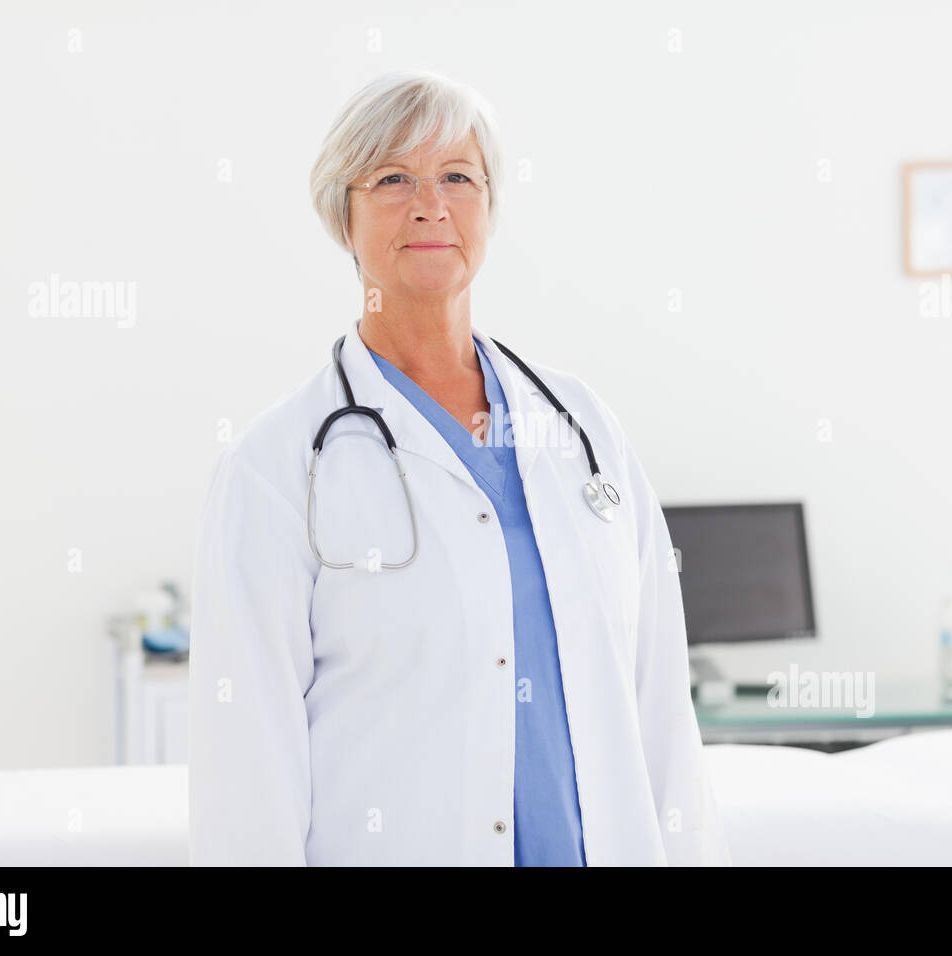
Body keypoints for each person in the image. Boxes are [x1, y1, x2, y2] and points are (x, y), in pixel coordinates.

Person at [187, 69, 732, 866]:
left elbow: (660, 710)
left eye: (457, 178)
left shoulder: (583, 431)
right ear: (344, 212)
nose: (429, 205)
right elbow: (247, 774)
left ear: (489, 206)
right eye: (393, 178)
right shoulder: (275, 468)